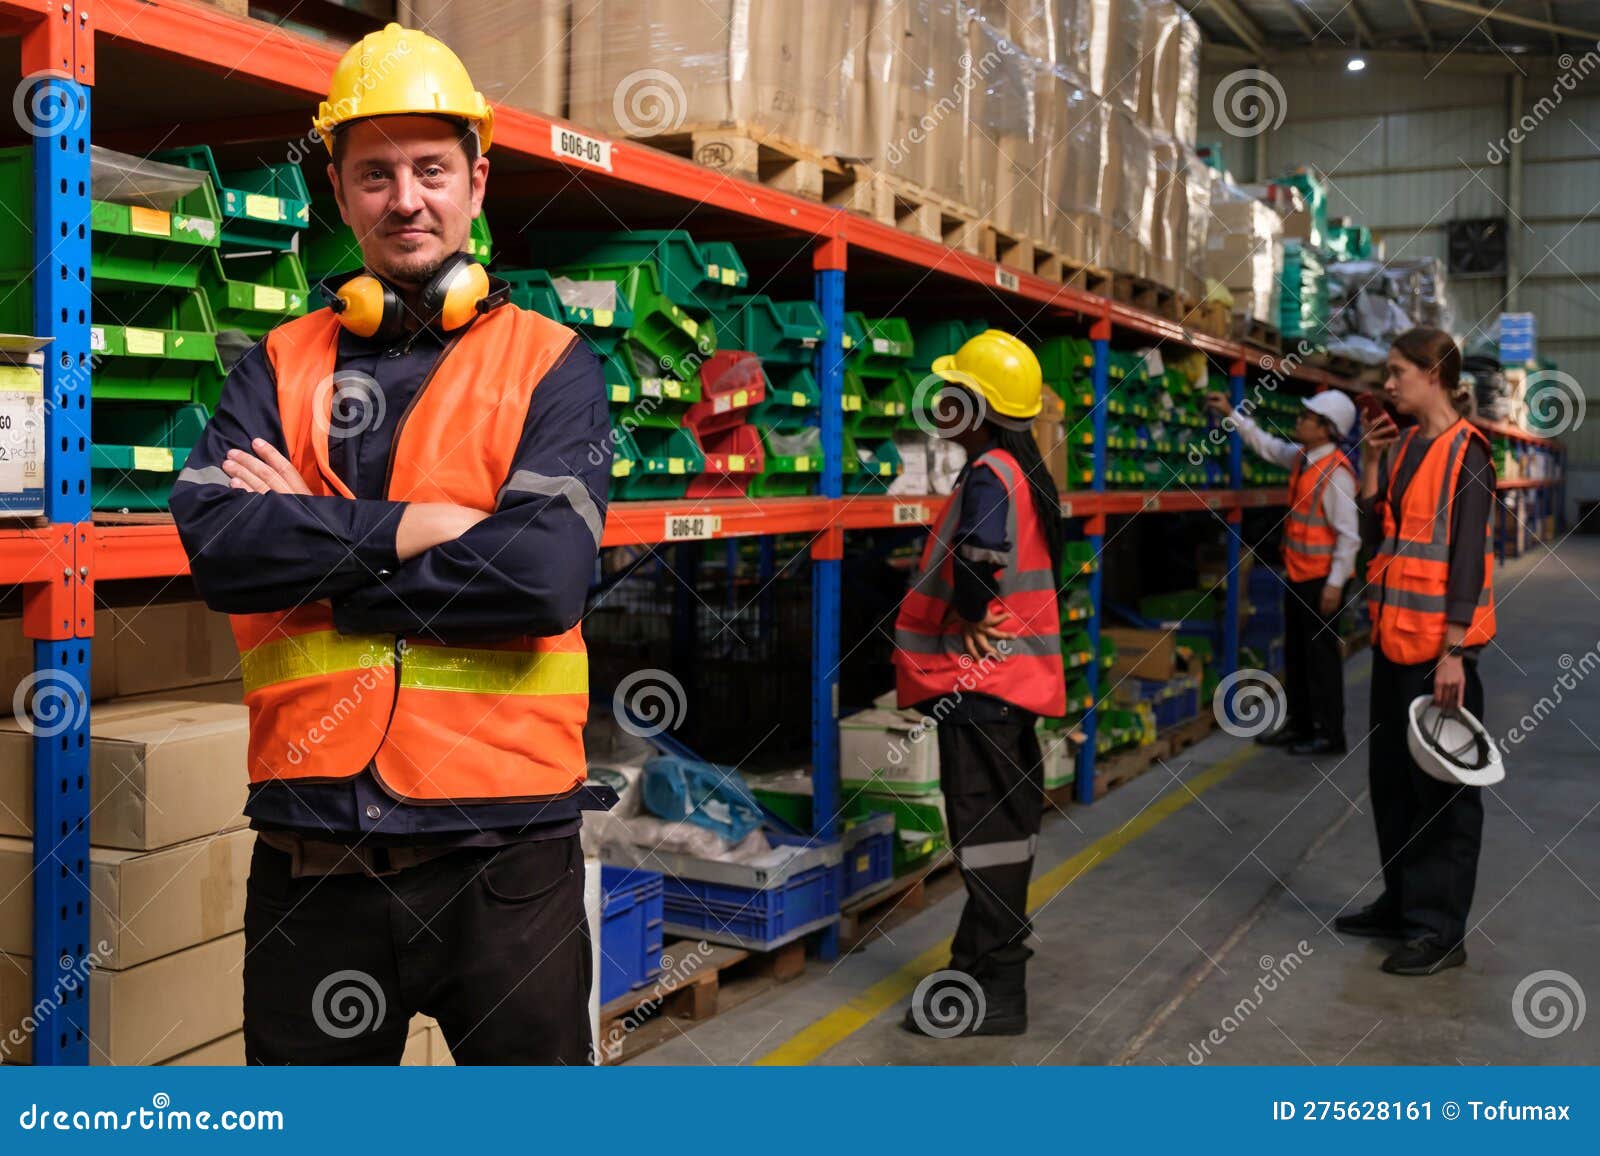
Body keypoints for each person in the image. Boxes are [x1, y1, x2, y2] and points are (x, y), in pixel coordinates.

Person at [170, 24, 613, 1063]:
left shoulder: (552, 366)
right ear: (338, 191)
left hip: (506, 863)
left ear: (476, 182)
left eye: (429, 169)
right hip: (312, 860)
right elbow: (221, 548)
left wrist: (321, 555)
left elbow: (544, 577)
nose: (403, 198)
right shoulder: (273, 365)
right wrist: (414, 527)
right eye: (374, 174)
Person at [892, 330, 1067, 1037]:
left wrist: (968, 611)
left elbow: (983, 552)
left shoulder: (990, 473)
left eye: (954, 390)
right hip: (1010, 688)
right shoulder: (1022, 468)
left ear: (979, 404)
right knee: (1005, 832)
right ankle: (976, 967)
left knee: (986, 837)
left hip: (982, 688)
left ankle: (998, 991)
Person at [1338, 327, 1496, 976]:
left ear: (1433, 372)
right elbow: (1383, 536)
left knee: (1444, 795)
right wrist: (1372, 468)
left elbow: (1464, 557)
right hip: (1393, 643)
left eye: (1399, 370)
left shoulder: (1470, 452)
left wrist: (1455, 649)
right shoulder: (1402, 449)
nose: (1389, 383)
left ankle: (1439, 931)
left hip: (1442, 654)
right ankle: (1402, 902)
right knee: (1392, 783)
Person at [1205, 389, 1360, 755]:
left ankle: (1329, 734)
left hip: (1322, 582)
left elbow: (1349, 537)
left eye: (1309, 417)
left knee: (1321, 660)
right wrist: (1232, 414)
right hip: (1300, 575)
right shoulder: (1304, 458)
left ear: (1327, 429)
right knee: (1297, 654)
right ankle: (1301, 725)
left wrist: (1335, 584)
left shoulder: (1337, 475)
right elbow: (1267, 445)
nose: (1300, 420)